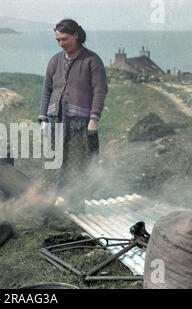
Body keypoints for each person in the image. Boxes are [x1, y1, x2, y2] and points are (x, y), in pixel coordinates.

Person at [39, 19, 108, 200]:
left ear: (76, 35)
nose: (61, 44)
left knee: (77, 166)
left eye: (65, 39)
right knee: (52, 163)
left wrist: (94, 118)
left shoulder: (92, 60)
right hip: (56, 121)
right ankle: (50, 203)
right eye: (58, 40)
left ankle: (75, 205)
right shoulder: (55, 61)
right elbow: (47, 90)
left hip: (80, 123)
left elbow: (100, 91)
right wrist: (43, 119)